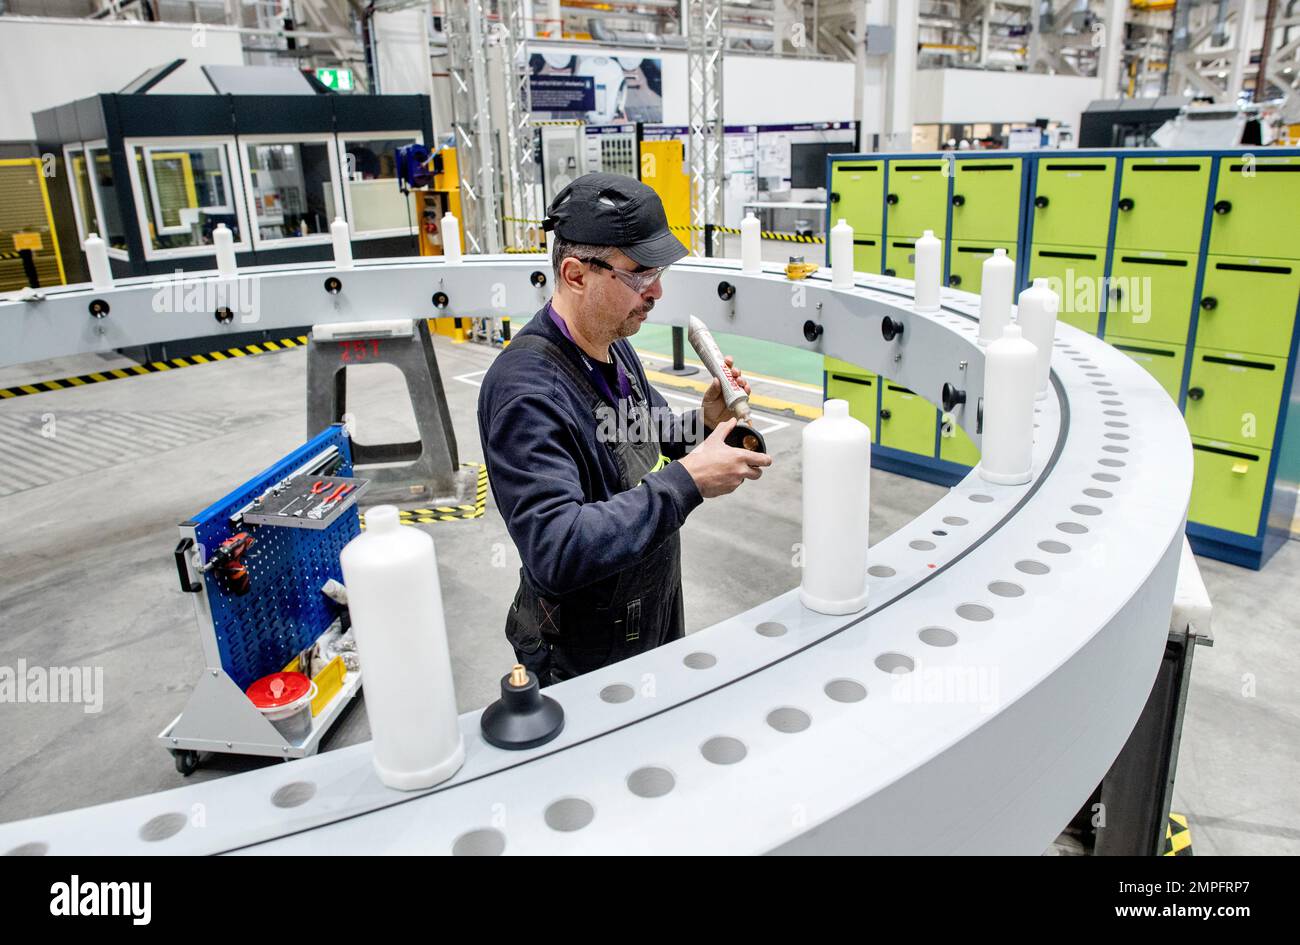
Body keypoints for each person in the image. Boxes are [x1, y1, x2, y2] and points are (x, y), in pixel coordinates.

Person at [477, 173, 772, 686]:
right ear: (575, 274)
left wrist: (703, 423)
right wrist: (689, 481)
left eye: (658, 272)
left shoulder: (611, 343)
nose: (656, 291)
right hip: (582, 656)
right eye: (639, 275)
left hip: (648, 613)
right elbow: (557, 547)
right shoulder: (526, 393)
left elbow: (641, 436)